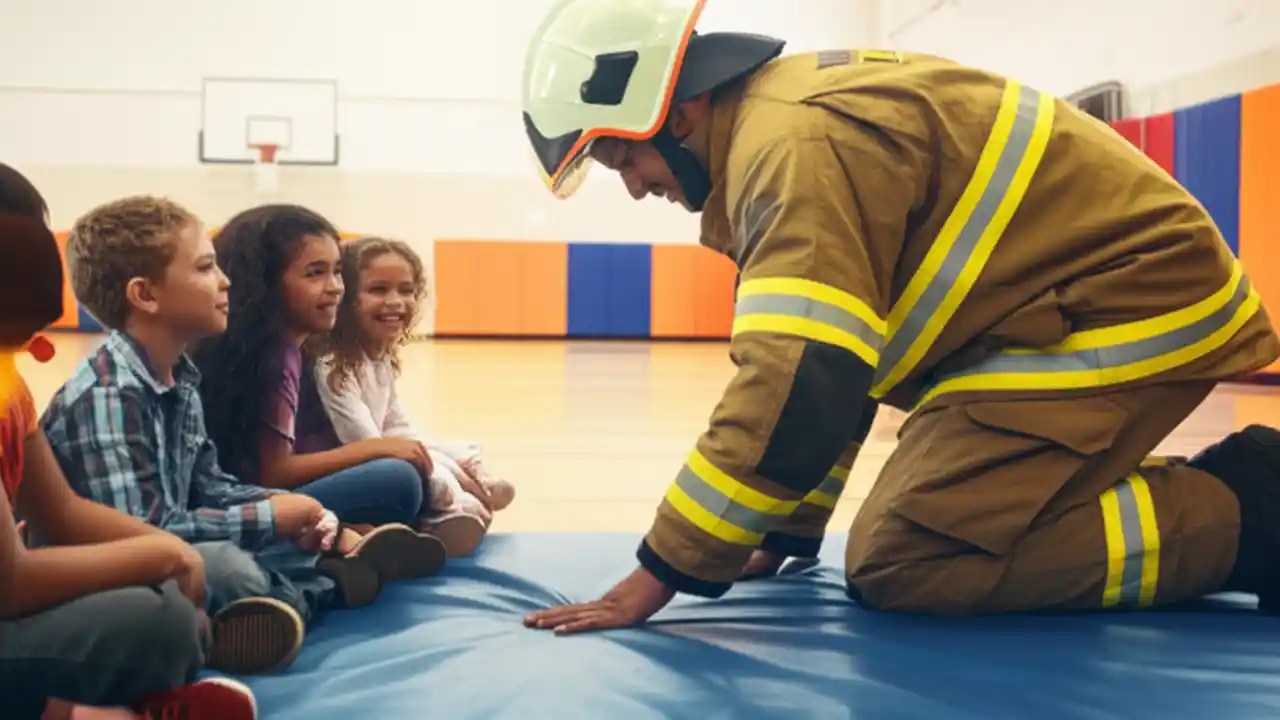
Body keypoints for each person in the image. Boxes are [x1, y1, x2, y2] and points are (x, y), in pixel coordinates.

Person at [518, 0, 1280, 635]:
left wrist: (662, 572)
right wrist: (780, 532)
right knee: (927, 529)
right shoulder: (778, 127)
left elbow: (801, 378)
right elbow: (841, 371)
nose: (636, 188)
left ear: (680, 115)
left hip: (1122, 314)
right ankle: (1225, 500)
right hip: (1060, 320)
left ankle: (1252, 517)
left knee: (911, 559)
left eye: (625, 162)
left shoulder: (789, 152)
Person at [41, 195, 428, 675]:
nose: (225, 280)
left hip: (172, 543)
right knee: (229, 568)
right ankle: (313, 591)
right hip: (120, 563)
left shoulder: (177, 377)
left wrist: (293, 510)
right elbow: (146, 533)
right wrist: (268, 516)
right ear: (146, 295)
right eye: (206, 268)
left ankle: (296, 591)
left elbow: (211, 483)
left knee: (274, 543)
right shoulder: (109, 395)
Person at [0, 164, 257, 719]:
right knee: (162, 622)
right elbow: (12, 583)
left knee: (175, 601)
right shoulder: (106, 390)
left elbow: (63, 512)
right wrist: (163, 551)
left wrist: (173, 557)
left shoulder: (8, 384)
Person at [191, 203, 448, 578]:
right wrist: (375, 449)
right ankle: (333, 547)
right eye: (316, 273)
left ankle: (347, 541)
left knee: (405, 476)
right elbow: (272, 473)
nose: (335, 288)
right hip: (247, 504)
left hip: (259, 499)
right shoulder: (271, 356)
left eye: (338, 272)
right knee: (398, 480)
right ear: (266, 281)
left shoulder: (293, 348)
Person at [312, 236, 516, 556]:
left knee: (440, 451)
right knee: (407, 472)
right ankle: (438, 518)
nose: (396, 301)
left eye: (406, 290)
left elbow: (399, 426)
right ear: (347, 298)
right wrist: (441, 480)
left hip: (379, 451)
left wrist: (455, 466)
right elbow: (365, 443)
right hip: (356, 465)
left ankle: (472, 484)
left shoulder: (378, 359)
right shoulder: (333, 366)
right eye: (379, 290)